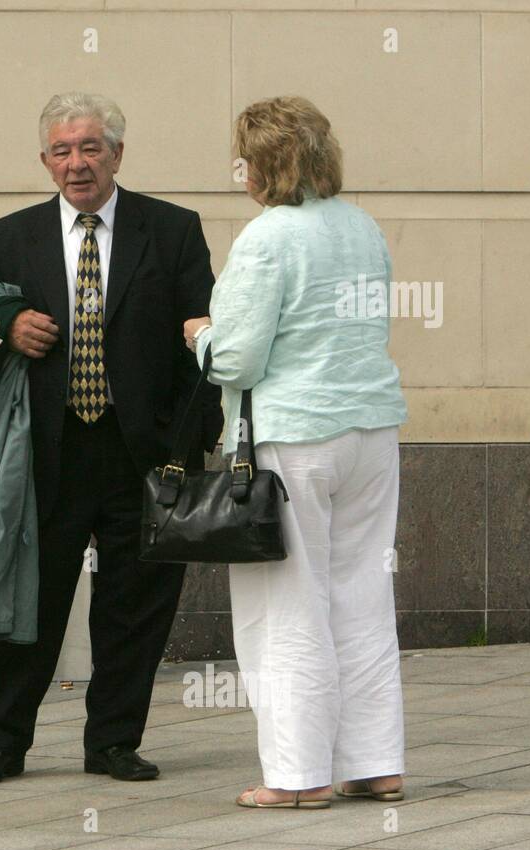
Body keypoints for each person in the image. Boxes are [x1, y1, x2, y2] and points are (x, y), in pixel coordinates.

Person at [0, 91, 223, 784]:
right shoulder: (6, 239)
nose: (77, 164)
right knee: (26, 599)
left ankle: (112, 742)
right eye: (62, 151)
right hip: (44, 454)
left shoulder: (171, 230)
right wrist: (10, 323)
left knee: (135, 608)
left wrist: (193, 446)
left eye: (90, 148)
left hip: (144, 455)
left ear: (117, 154)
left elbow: (206, 337)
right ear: (45, 161)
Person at [183, 95, 409, 809]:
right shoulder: (363, 227)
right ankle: (377, 763)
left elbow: (240, 359)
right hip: (371, 431)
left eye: (245, 159)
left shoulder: (267, 238)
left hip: (297, 437)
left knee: (285, 606)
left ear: (264, 165)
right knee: (363, 597)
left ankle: (297, 774)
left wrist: (200, 337)